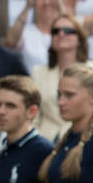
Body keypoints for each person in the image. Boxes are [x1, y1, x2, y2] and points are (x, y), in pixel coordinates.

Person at [30, 14, 90, 143]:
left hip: (83, 138)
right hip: (45, 140)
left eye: (68, 31)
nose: (61, 34)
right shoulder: (38, 72)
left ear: (80, 39)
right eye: (55, 31)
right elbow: (34, 113)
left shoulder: (91, 70)